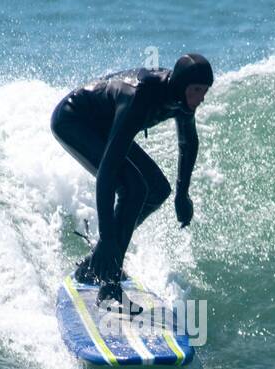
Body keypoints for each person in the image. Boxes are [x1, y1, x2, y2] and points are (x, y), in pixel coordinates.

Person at [51, 53, 214, 312]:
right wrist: (106, 236)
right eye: (196, 90)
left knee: (158, 190)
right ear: (182, 84)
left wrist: (182, 195)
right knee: (134, 187)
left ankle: (98, 264)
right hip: (74, 119)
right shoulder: (140, 96)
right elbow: (106, 174)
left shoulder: (182, 100)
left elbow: (188, 142)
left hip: (105, 125)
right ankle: (109, 282)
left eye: (204, 91)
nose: (201, 98)